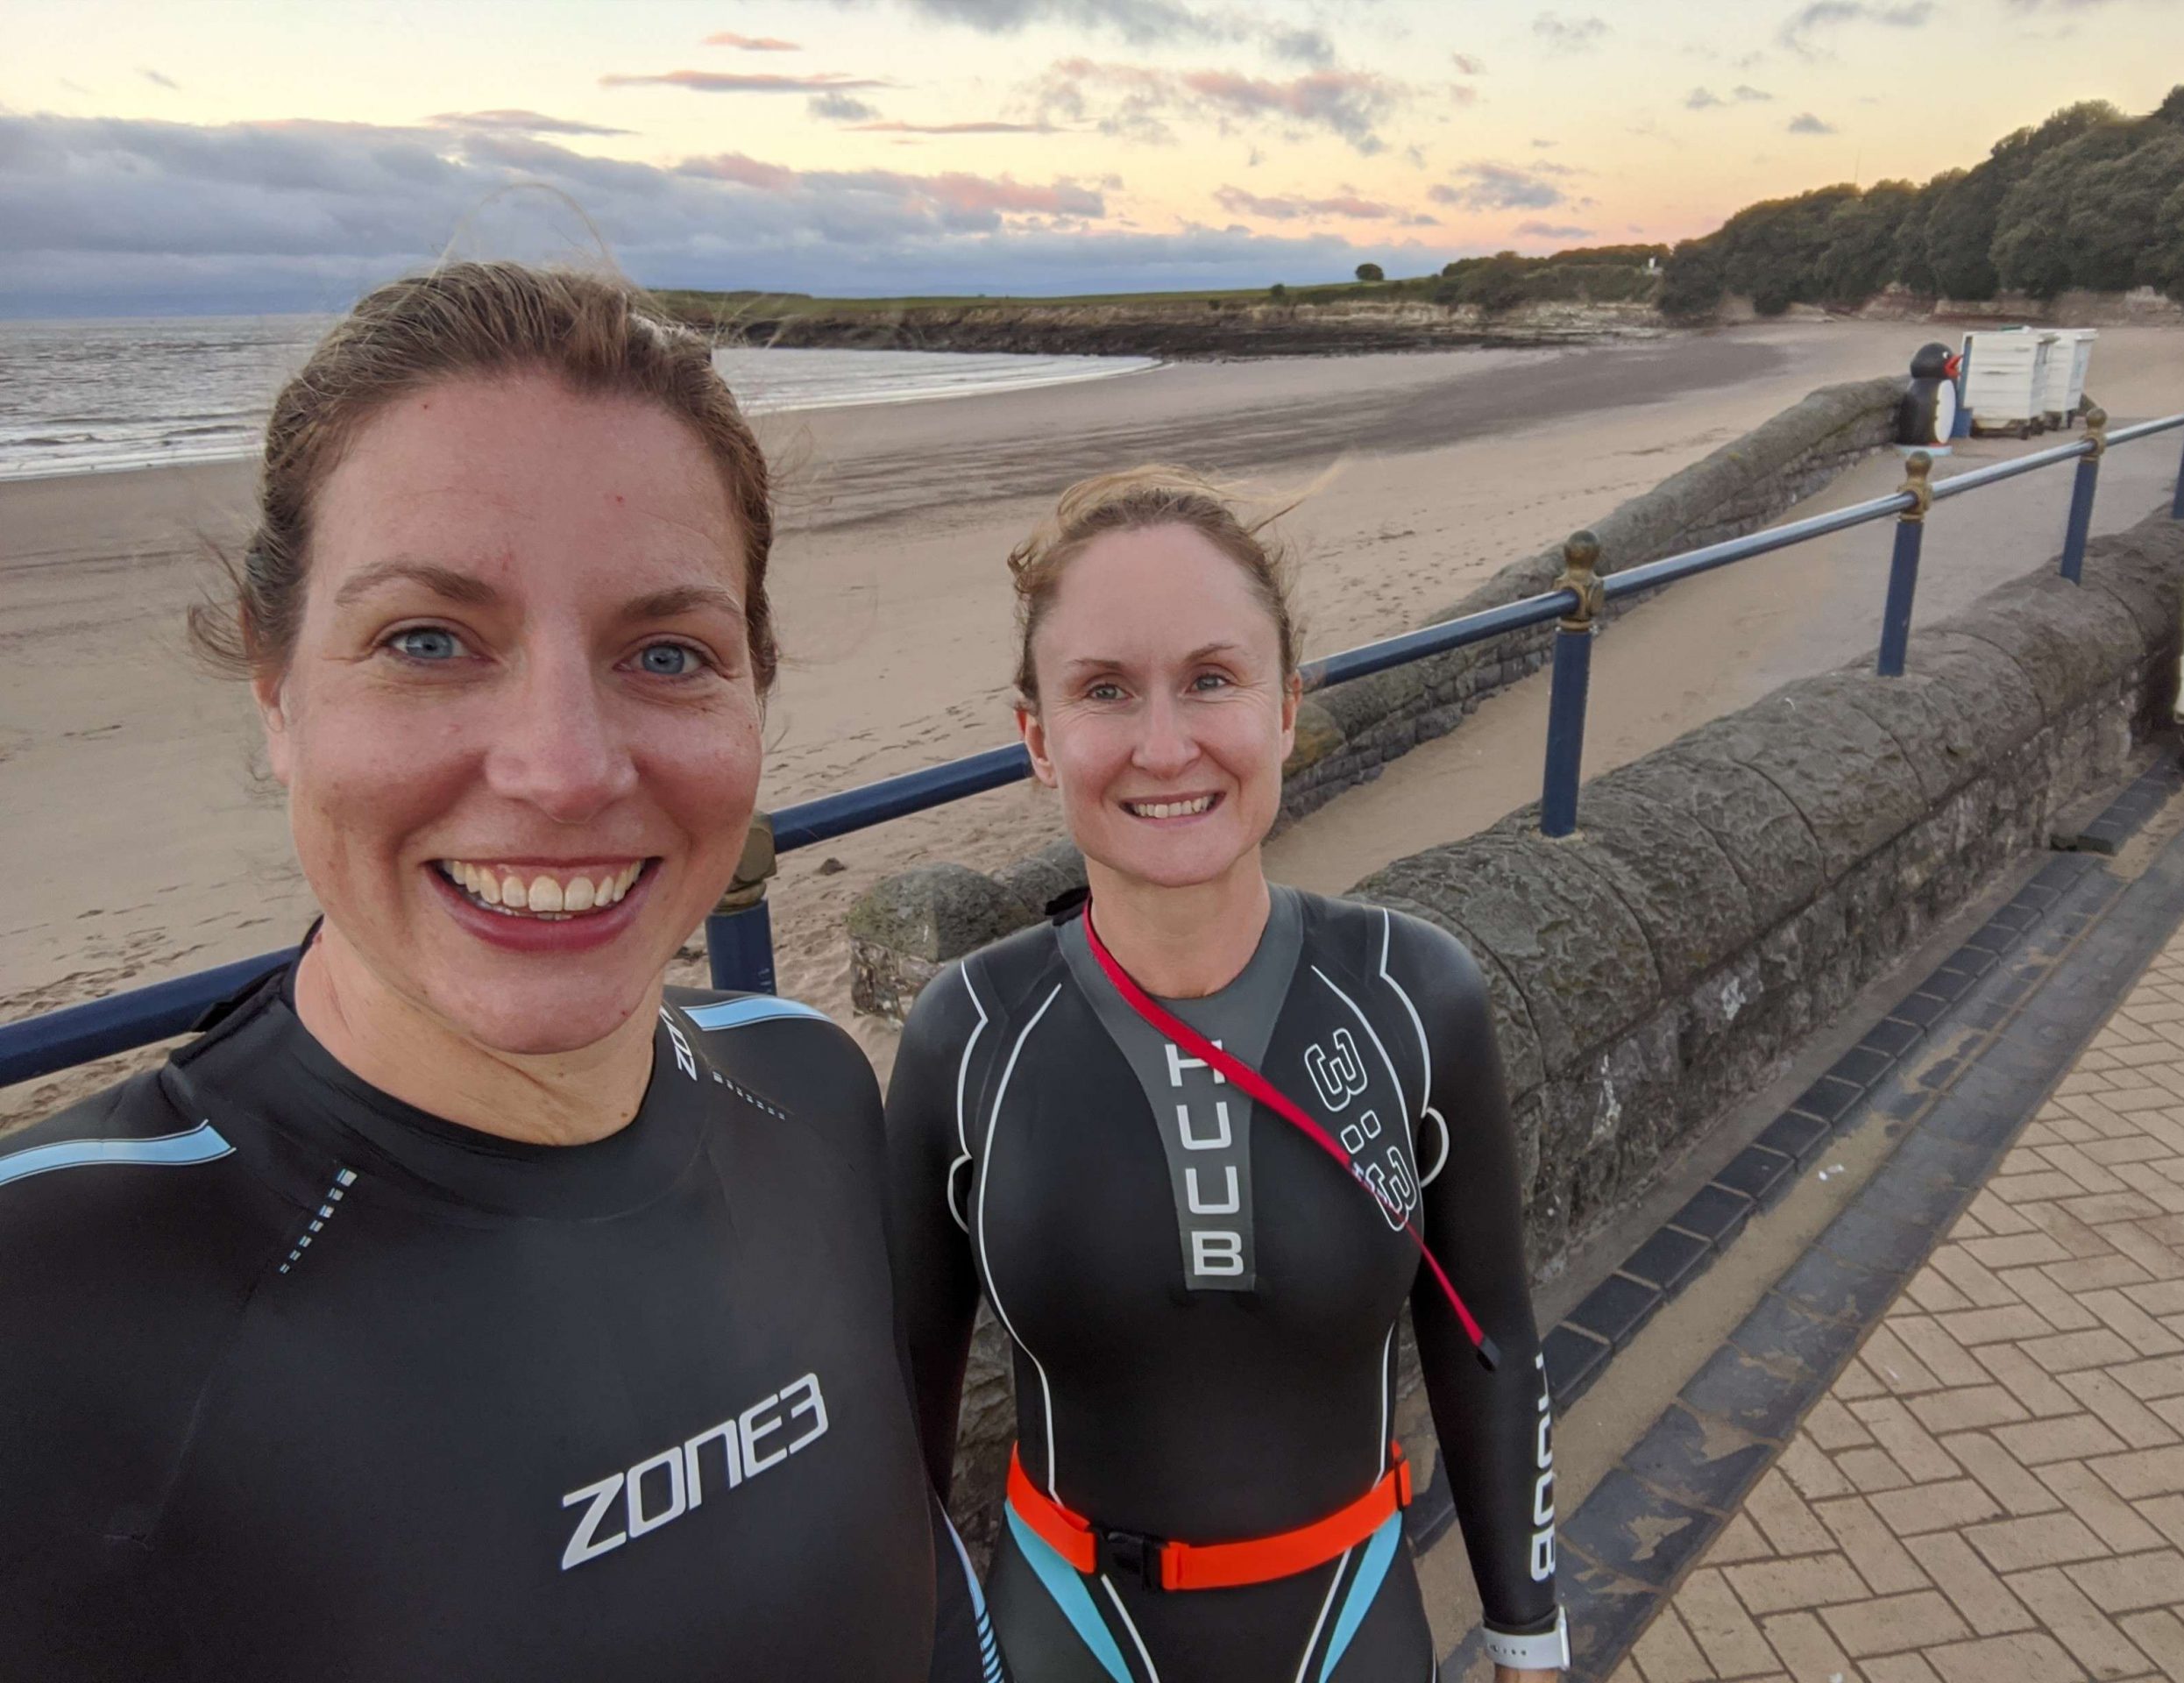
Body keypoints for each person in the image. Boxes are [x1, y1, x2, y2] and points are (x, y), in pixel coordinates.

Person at [0, 263, 1000, 1682]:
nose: (566, 771)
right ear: (276, 688)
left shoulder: (809, 1089)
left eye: (667, 652)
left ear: (755, 690)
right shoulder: (49, 1302)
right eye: (427, 640)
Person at [885, 468, 1568, 1682]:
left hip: (1351, 1623)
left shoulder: (1414, 998)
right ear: (1039, 737)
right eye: (1105, 691)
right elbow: (903, 1426)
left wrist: (1531, 1639)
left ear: (1290, 706)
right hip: (1067, 1633)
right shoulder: (968, 1033)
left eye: (1211, 679)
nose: (1164, 745)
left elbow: (1490, 1338)